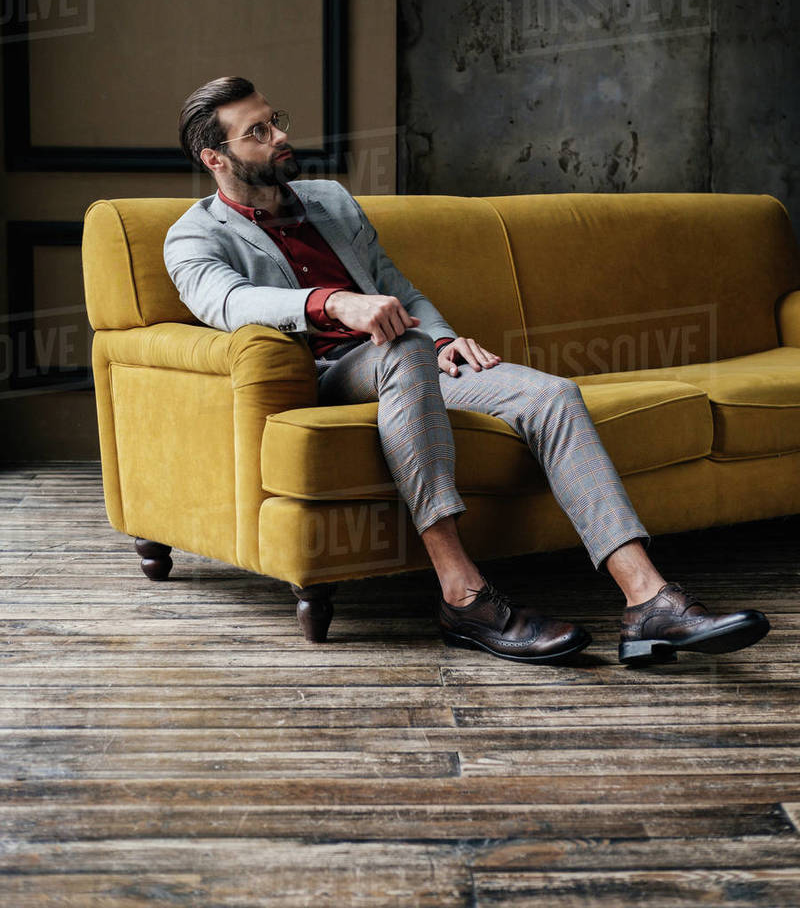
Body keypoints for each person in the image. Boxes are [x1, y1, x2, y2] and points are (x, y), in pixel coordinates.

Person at [165, 76, 771, 666]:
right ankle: (465, 597)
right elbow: (227, 302)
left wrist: (446, 338)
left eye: (277, 122)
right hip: (326, 372)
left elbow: (398, 288)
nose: (278, 136)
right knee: (405, 351)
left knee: (552, 395)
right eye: (258, 131)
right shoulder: (191, 236)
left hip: (410, 354)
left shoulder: (330, 200)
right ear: (214, 156)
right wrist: (330, 302)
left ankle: (649, 602)